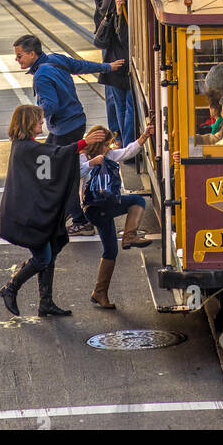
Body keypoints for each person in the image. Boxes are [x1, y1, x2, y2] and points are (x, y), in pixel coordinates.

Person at [0, 105, 105, 318]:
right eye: (38, 121)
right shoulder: (26, 148)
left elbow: (51, 159)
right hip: (27, 217)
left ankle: (46, 303)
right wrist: (83, 143)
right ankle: (10, 288)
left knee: (49, 253)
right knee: (44, 257)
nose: (42, 123)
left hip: (29, 214)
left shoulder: (24, 147)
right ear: (29, 123)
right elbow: (54, 155)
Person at [12, 34, 125, 235]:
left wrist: (33, 119)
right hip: (74, 123)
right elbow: (79, 66)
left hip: (64, 130)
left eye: (19, 56)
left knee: (62, 174)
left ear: (31, 54)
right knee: (48, 165)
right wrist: (108, 67)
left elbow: (51, 105)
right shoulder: (55, 58)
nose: (17, 60)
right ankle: (63, 210)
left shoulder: (41, 76)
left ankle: (80, 221)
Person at [80, 120, 155, 309]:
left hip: (105, 206)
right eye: (106, 145)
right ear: (97, 144)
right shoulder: (83, 156)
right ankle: (129, 236)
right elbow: (77, 170)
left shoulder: (109, 155)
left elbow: (127, 152)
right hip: (94, 207)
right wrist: (91, 162)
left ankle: (99, 293)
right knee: (137, 201)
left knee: (111, 250)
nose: (108, 148)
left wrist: (144, 137)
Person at [94, 0, 135, 147]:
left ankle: (125, 144)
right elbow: (124, 38)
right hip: (121, 65)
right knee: (129, 108)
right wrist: (119, 14)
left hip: (115, 64)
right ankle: (127, 146)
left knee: (122, 107)